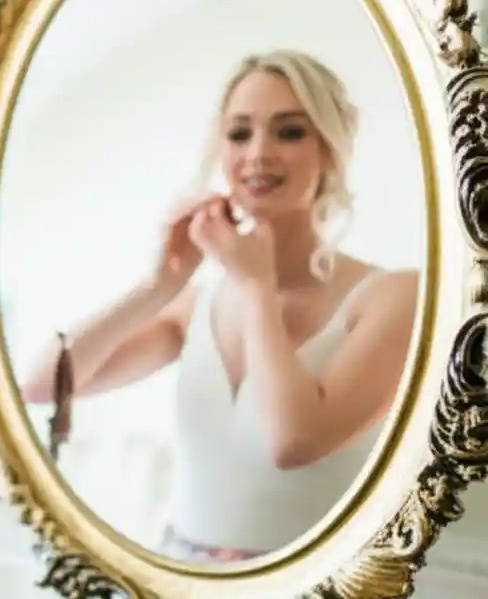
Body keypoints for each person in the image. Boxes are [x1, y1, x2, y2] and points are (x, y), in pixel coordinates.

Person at [21, 49, 418, 561]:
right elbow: (42, 384)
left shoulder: (393, 298)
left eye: (290, 131)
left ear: (331, 150)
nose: (259, 153)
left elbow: (293, 441)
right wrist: (159, 284)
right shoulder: (196, 305)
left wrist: (257, 286)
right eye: (239, 133)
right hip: (180, 572)